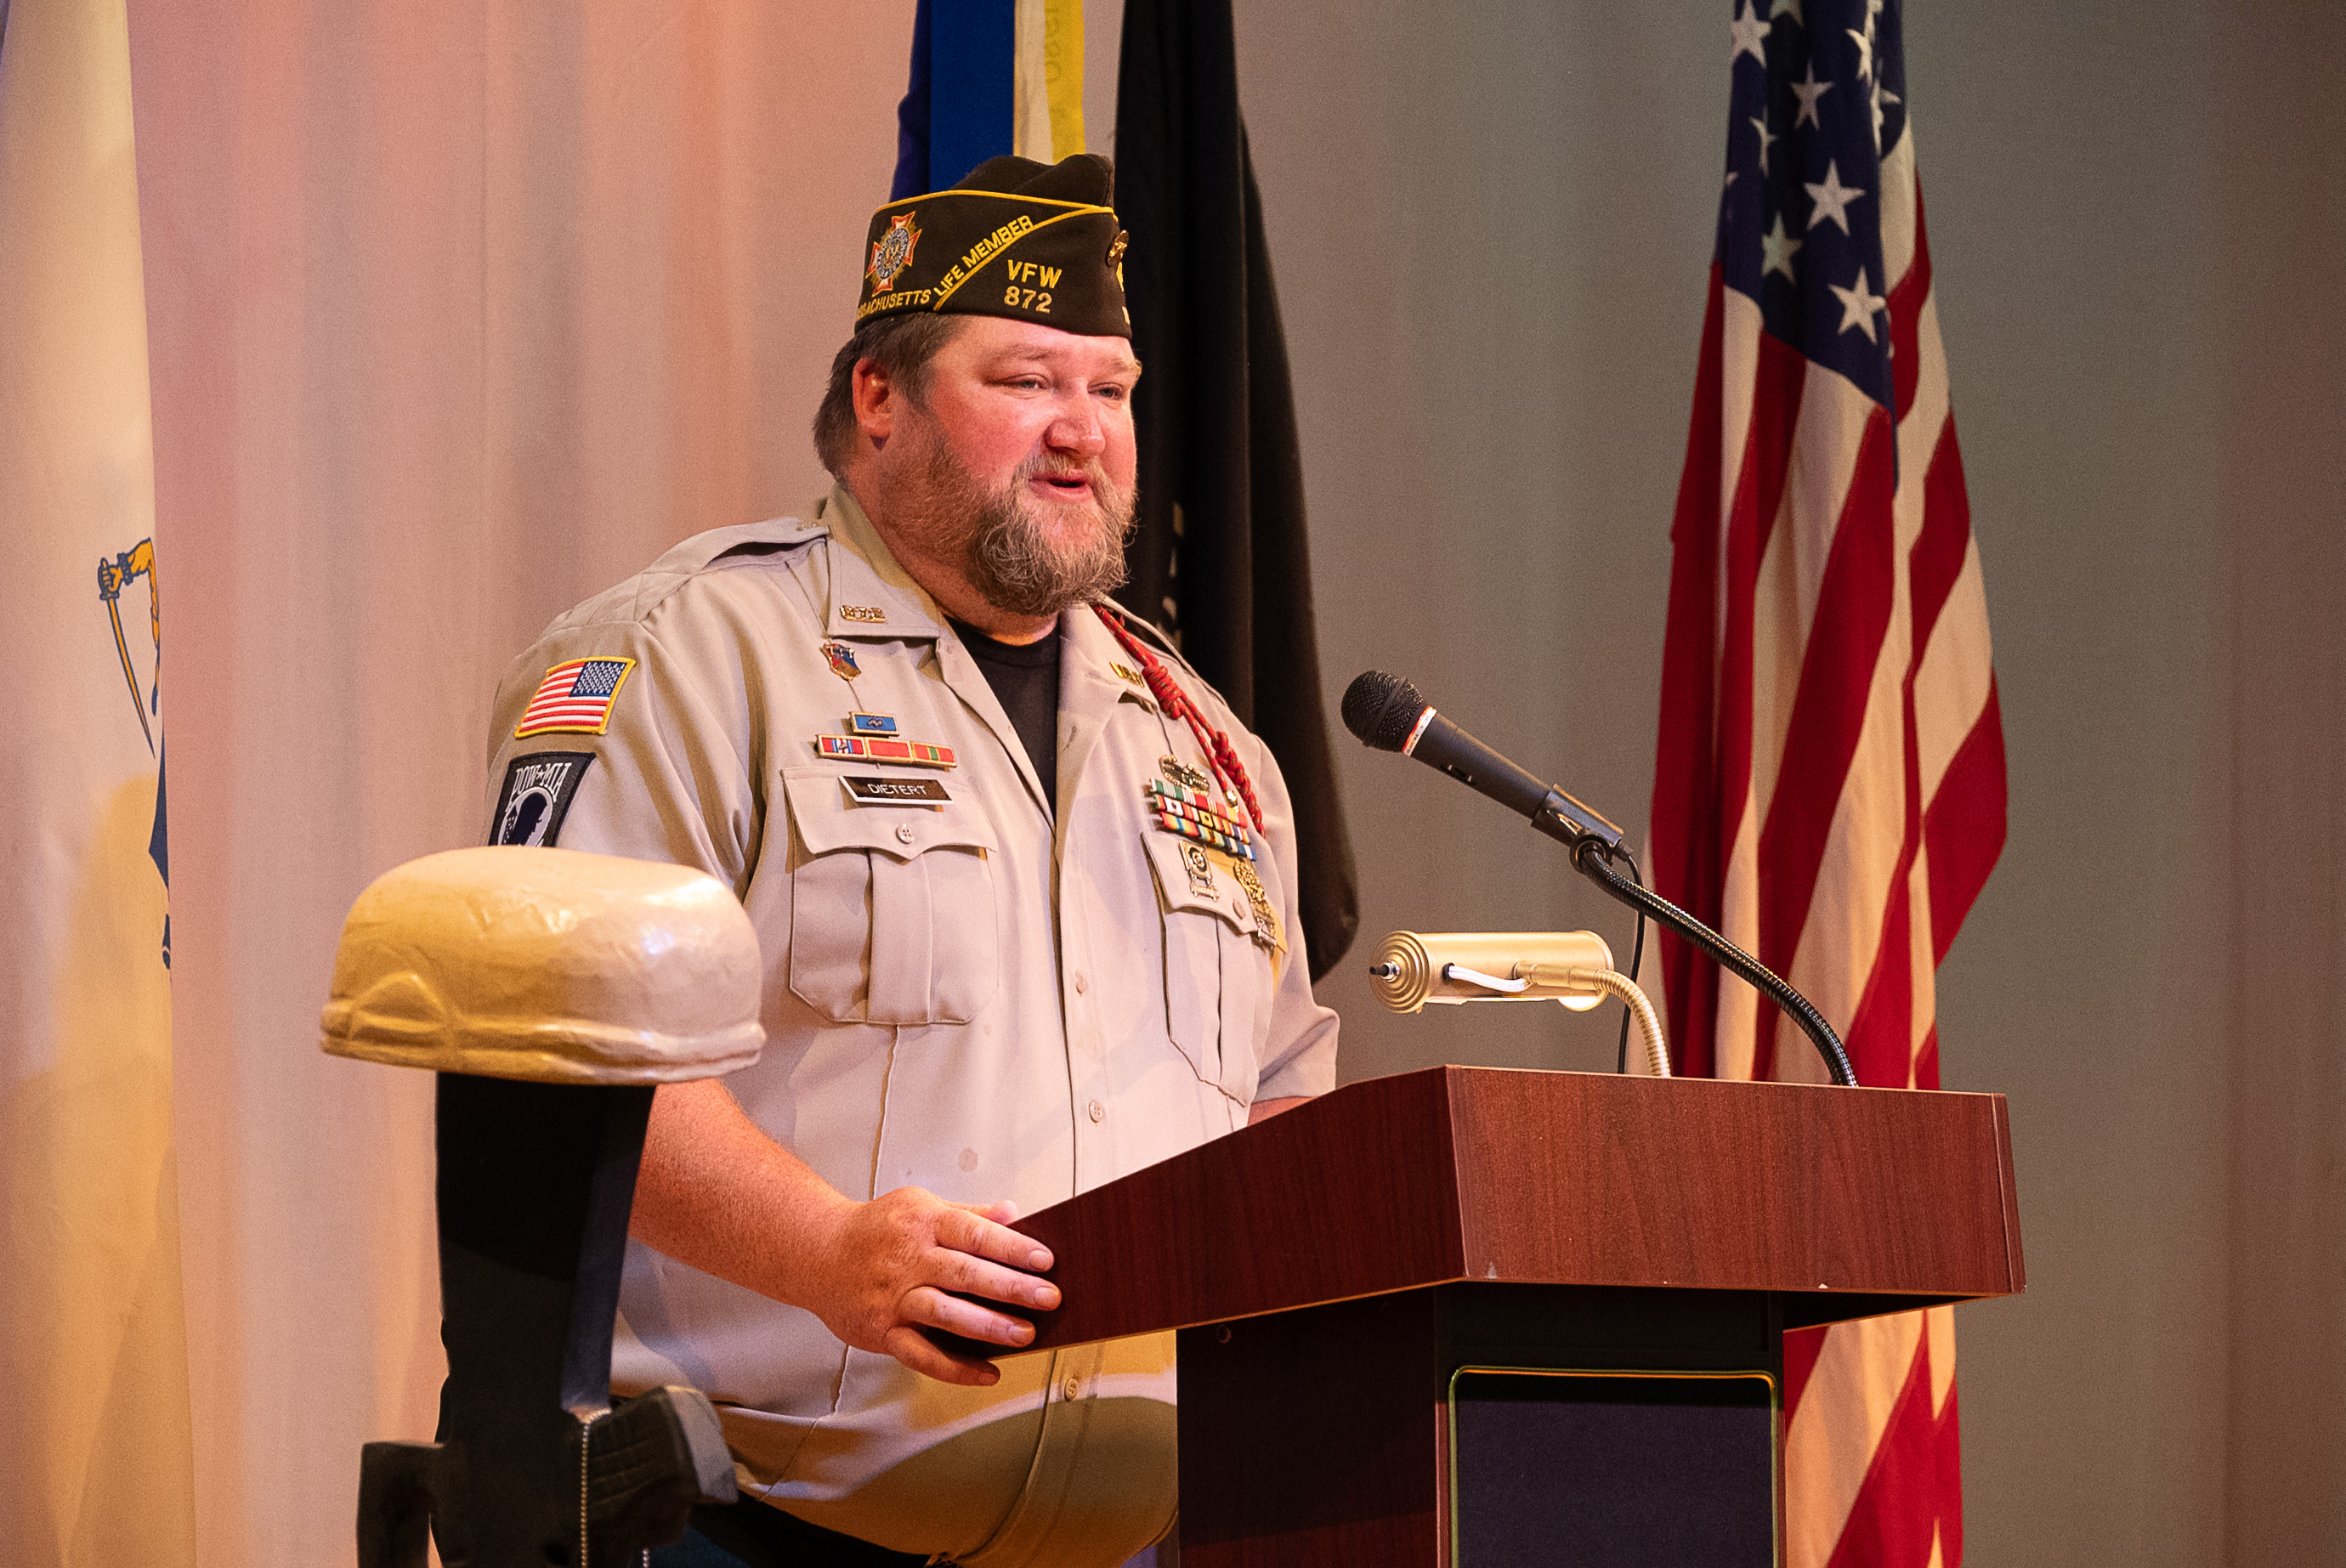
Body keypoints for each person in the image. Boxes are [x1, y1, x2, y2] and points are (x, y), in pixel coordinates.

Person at [480, 153, 1339, 1568]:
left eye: (1112, 391)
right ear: (877, 397)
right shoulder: (692, 654)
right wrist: (823, 1251)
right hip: (744, 1529)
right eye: (1024, 380)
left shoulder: (1210, 744)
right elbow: (560, 1062)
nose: (1084, 434)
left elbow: (1287, 1111)